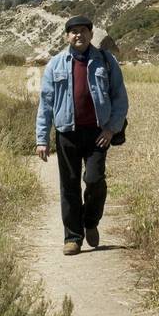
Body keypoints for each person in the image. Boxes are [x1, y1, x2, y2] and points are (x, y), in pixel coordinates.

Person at [35, 16, 129, 255]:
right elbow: (45, 104)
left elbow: (120, 98)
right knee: (69, 186)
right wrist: (42, 139)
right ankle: (73, 237)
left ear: (91, 34)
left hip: (98, 133)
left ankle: (90, 221)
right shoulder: (55, 64)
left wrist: (111, 129)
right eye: (74, 31)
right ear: (67, 36)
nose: (79, 35)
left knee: (94, 179)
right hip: (67, 132)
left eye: (84, 31)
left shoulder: (106, 62)